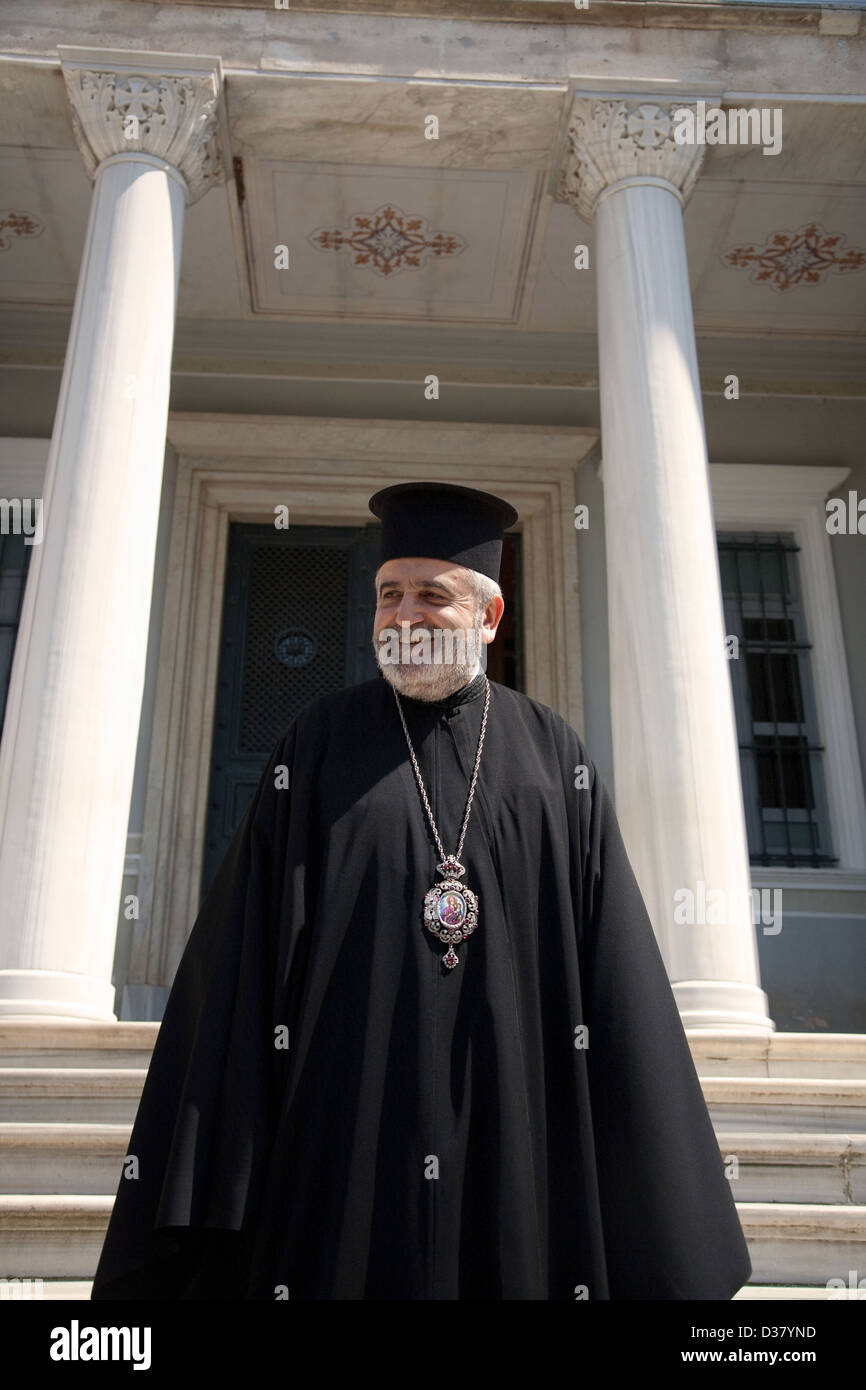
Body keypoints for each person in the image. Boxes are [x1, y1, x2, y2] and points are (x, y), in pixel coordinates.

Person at [91, 480, 752, 1301]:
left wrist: (654, 1201)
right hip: (344, 1128)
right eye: (387, 593)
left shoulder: (553, 759)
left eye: (431, 595)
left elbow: (613, 975)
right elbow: (245, 955)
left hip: (514, 1134)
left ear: (489, 617)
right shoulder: (320, 743)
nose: (402, 615)